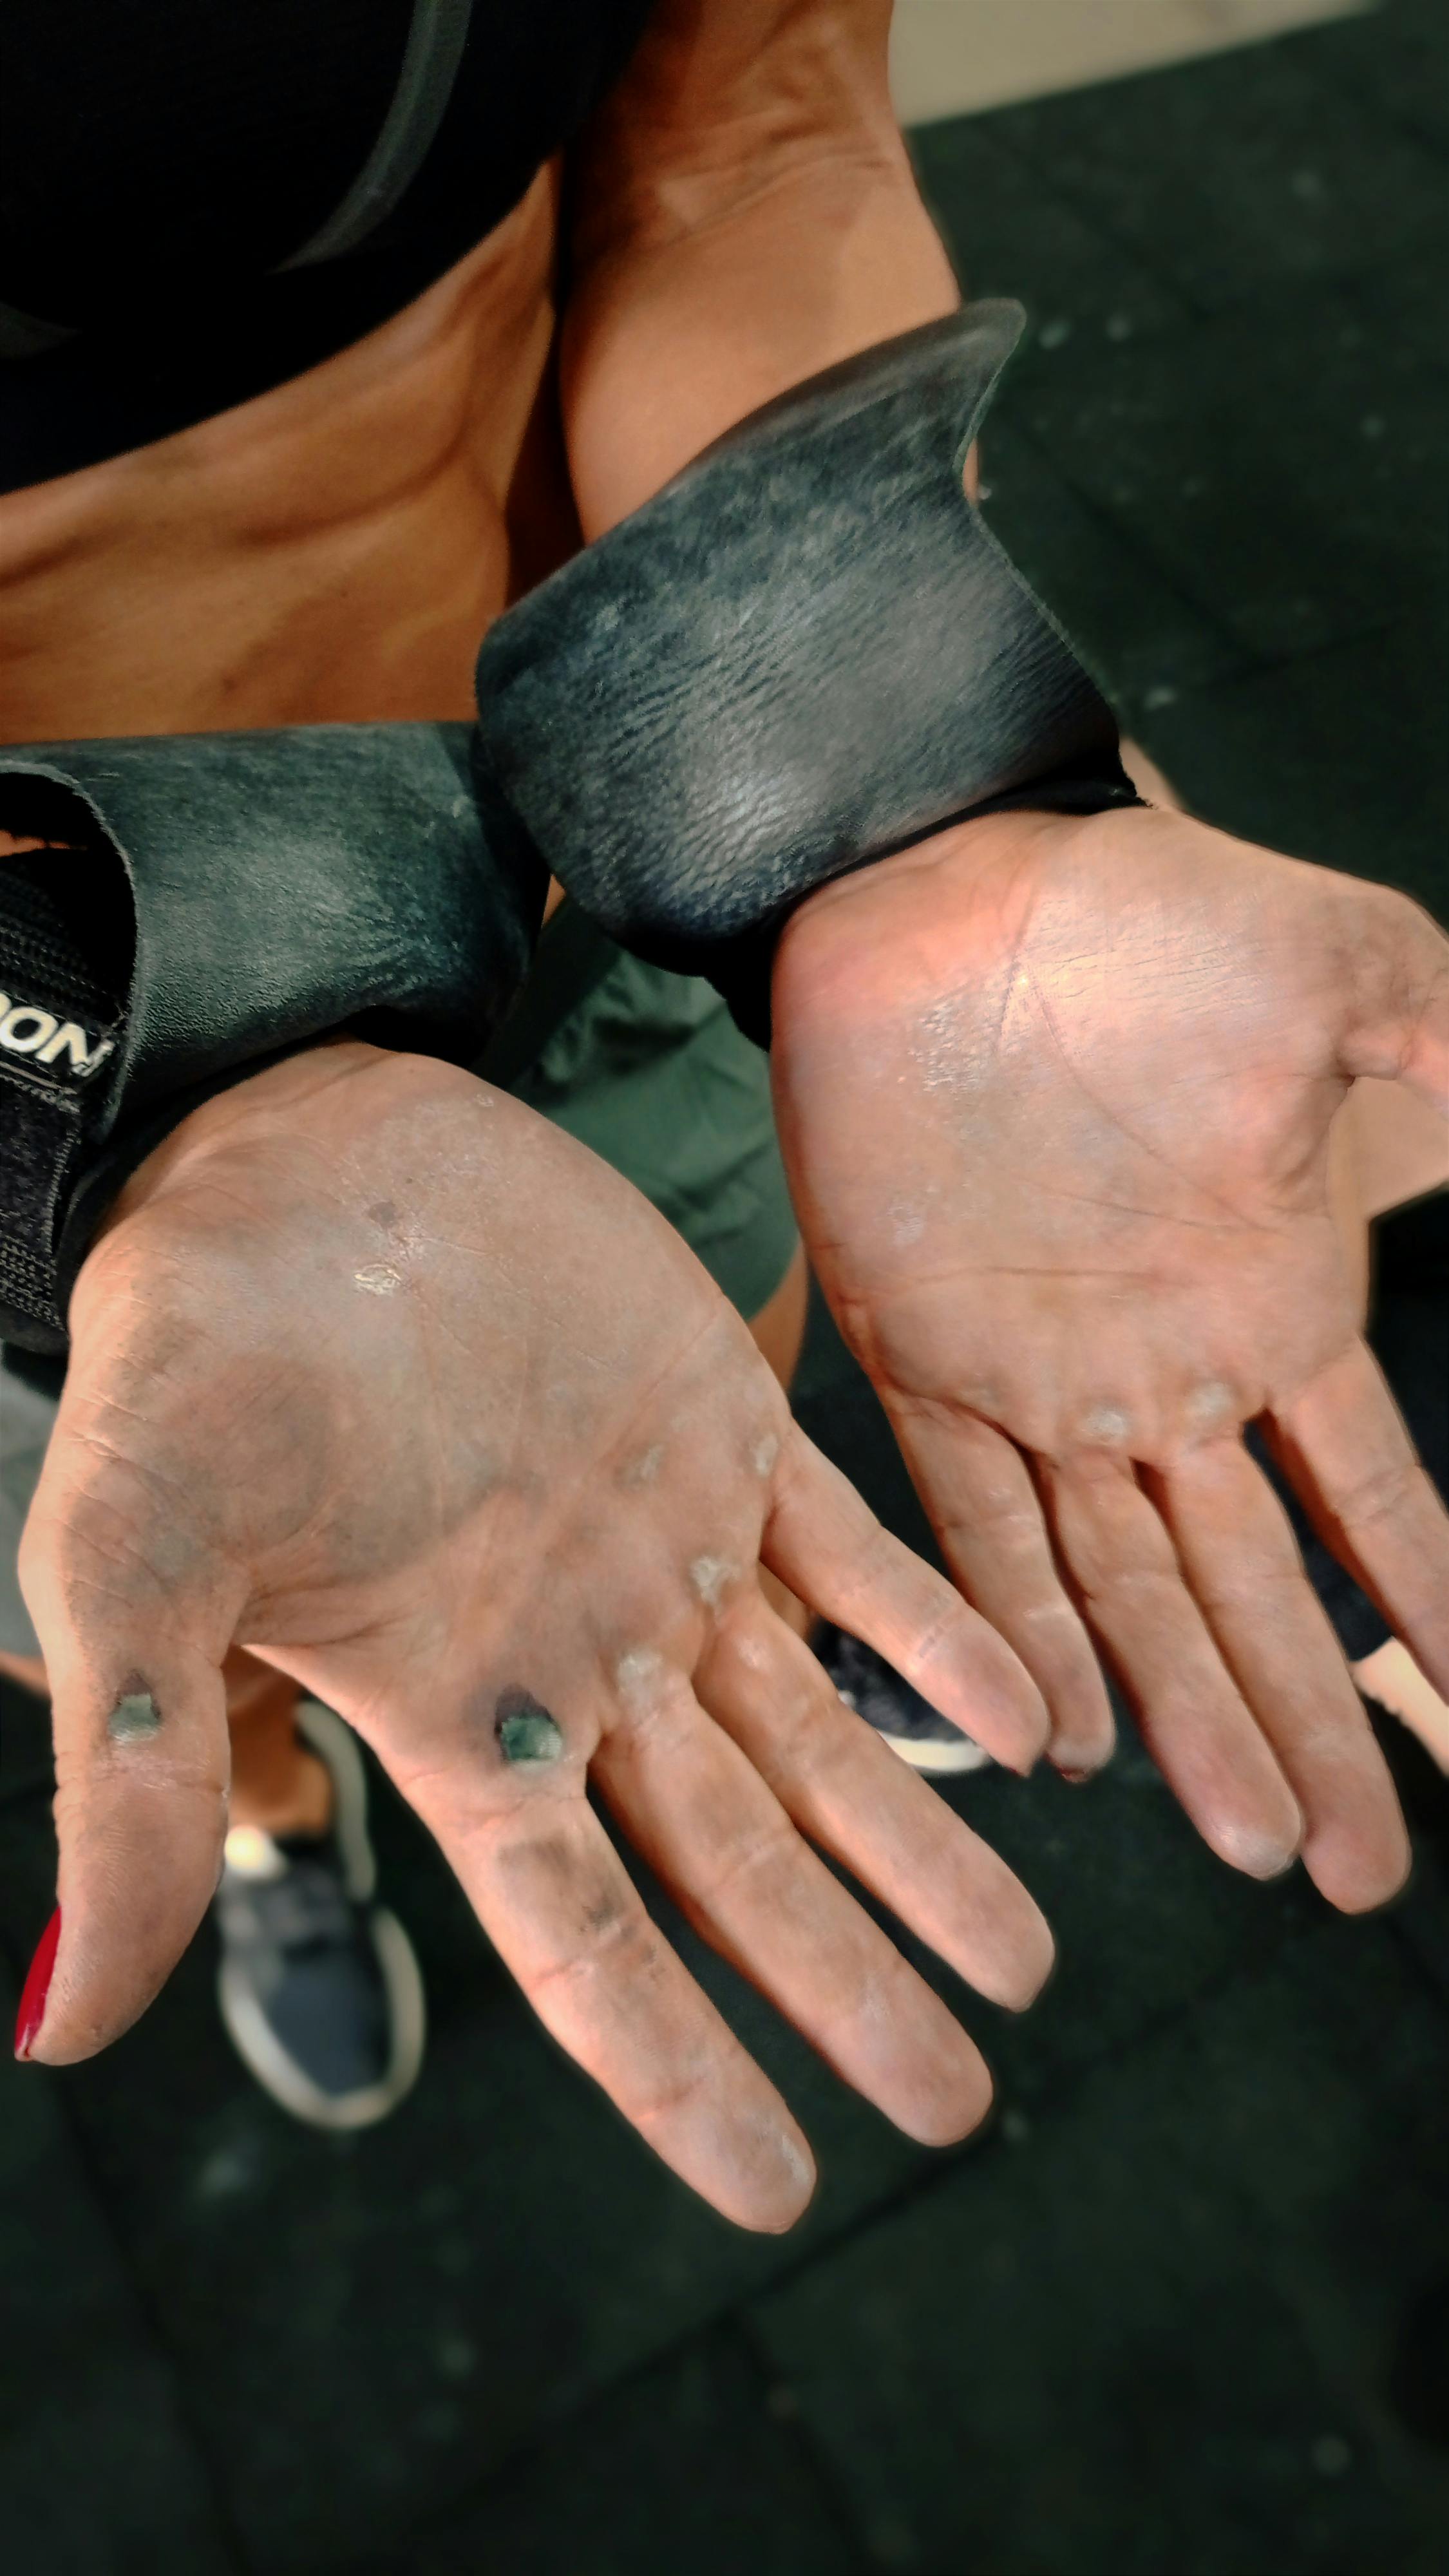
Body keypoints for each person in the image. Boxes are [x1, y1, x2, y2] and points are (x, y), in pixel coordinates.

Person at [2, 1, 1445, 2224]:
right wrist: (68, 1120)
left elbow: (746, 143)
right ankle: (289, 1821)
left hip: (638, 859)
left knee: (695, 1407)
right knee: (206, 1621)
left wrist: (902, 804)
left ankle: (716, 1596)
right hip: (75, 1106)